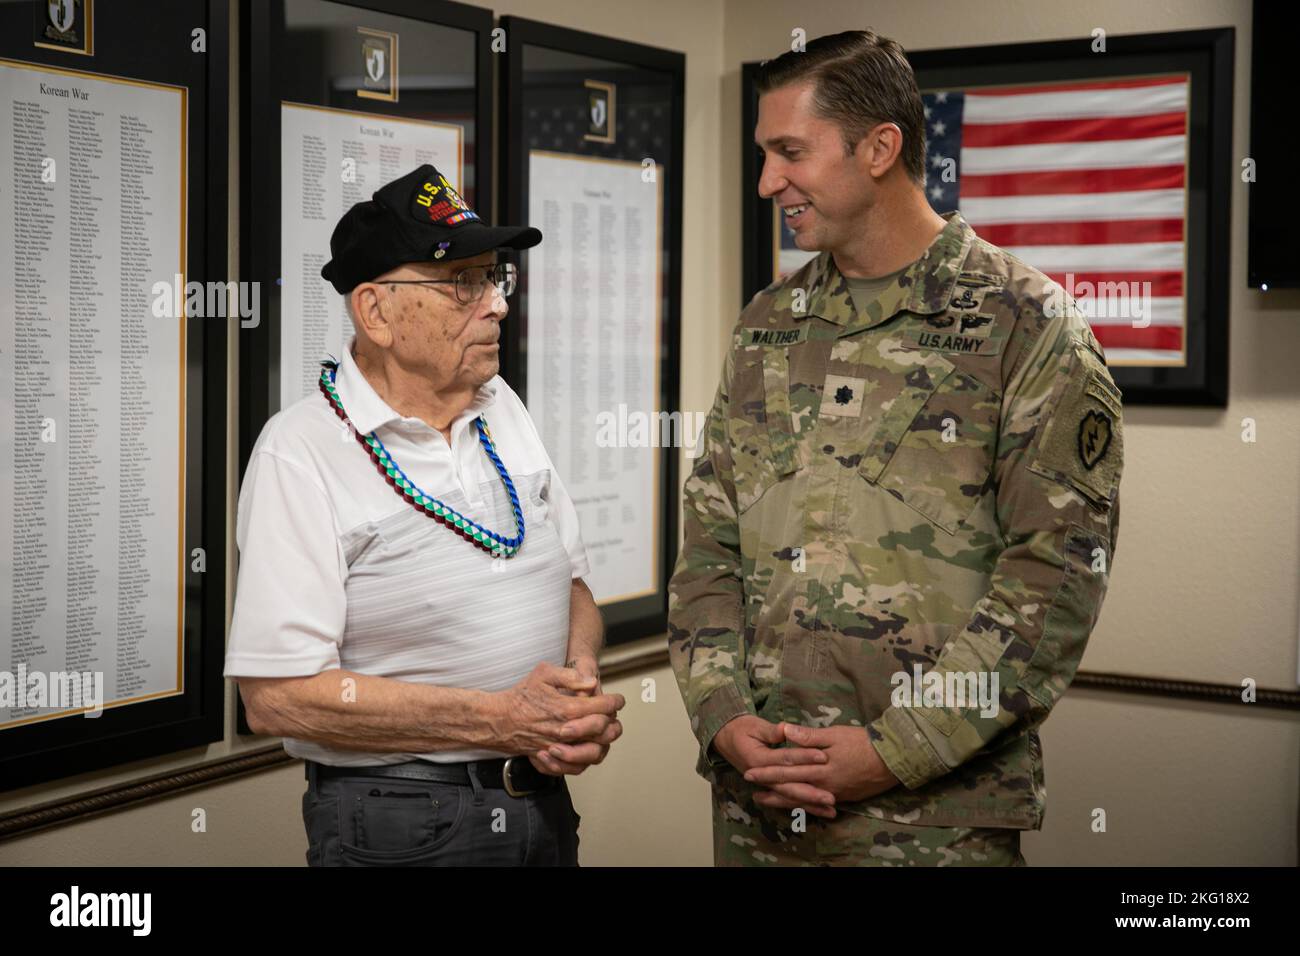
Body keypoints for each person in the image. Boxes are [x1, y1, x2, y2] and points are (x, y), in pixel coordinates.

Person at [668, 30, 1123, 866]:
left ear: (879, 148)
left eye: (789, 152)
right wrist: (724, 717)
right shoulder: (770, 323)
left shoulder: (1025, 324)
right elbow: (707, 550)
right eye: (767, 155)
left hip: (931, 824)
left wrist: (895, 751)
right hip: (760, 813)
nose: (769, 181)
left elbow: (1052, 585)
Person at [224, 165, 624, 866]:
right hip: (404, 823)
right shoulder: (300, 452)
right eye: (462, 284)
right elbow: (276, 699)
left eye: (495, 277)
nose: (496, 304)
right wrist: (501, 719)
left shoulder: (502, 407)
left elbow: (574, 586)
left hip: (538, 803)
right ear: (374, 312)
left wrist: (575, 684)